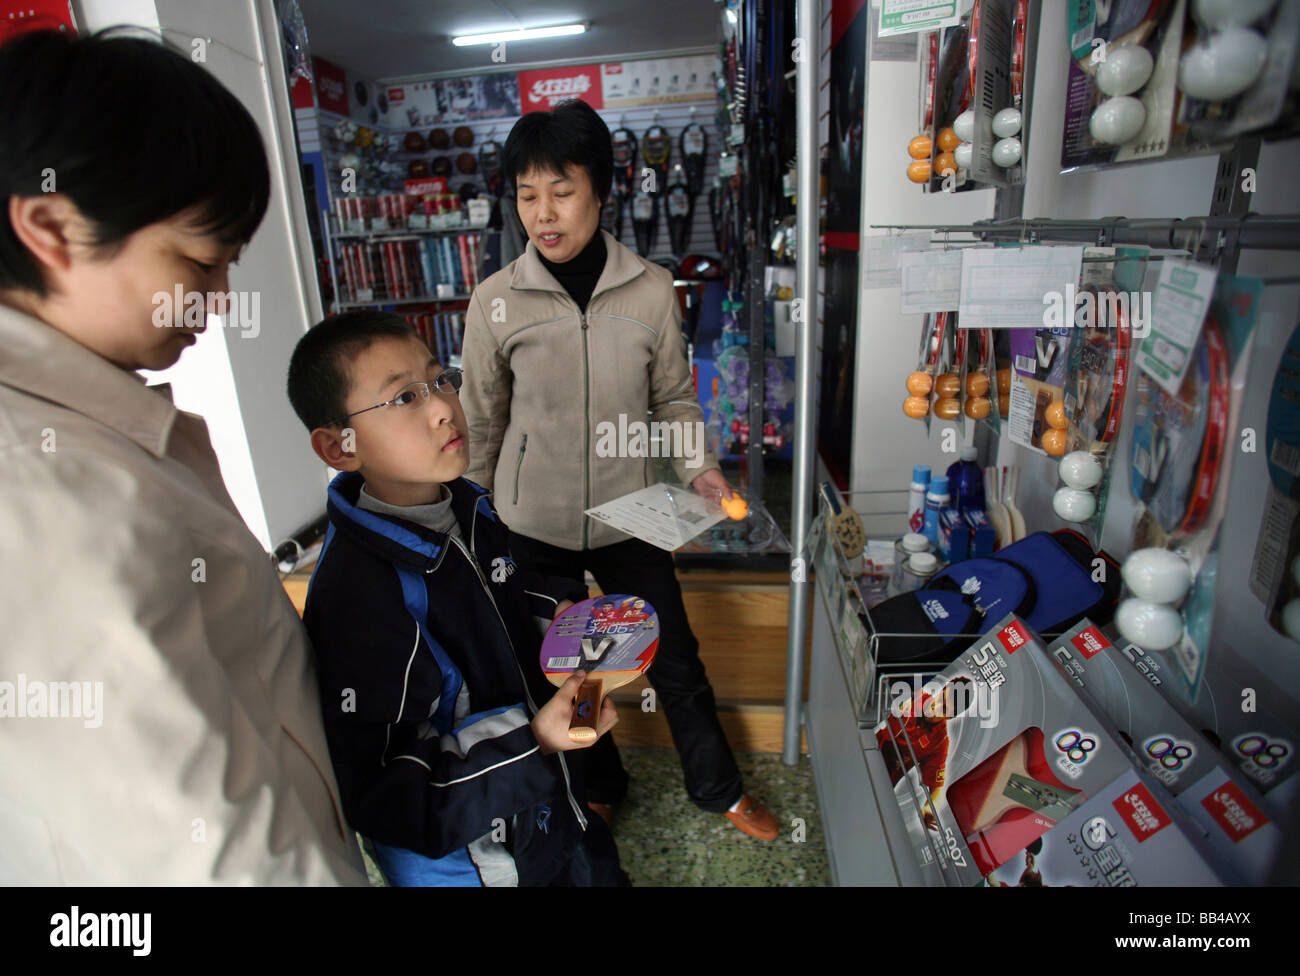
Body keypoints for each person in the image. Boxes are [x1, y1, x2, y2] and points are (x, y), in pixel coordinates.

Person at [0, 30, 364, 883]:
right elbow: (199, 845)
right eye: (200, 263)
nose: (219, 301)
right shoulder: (40, 487)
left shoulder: (90, 429)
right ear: (53, 225)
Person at [460, 99, 778, 840]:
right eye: (527, 195)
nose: (544, 214)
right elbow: (481, 418)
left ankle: (720, 790)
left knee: (677, 663)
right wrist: (474, 513)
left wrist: (698, 469)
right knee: (561, 669)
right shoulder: (495, 301)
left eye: (562, 192)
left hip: (630, 512)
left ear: (602, 190)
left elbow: (671, 397)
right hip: (530, 521)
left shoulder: (651, 290)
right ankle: (599, 785)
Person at [287, 311, 627, 886]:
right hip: (483, 867)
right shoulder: (362, 599)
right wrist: (537, 740)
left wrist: (564, 613)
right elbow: (388, 795)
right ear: (338, 446)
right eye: (403, 399)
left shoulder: (466, 503)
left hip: (553, 813)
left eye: (440, 379)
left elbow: (506, 587)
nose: (444, 407)